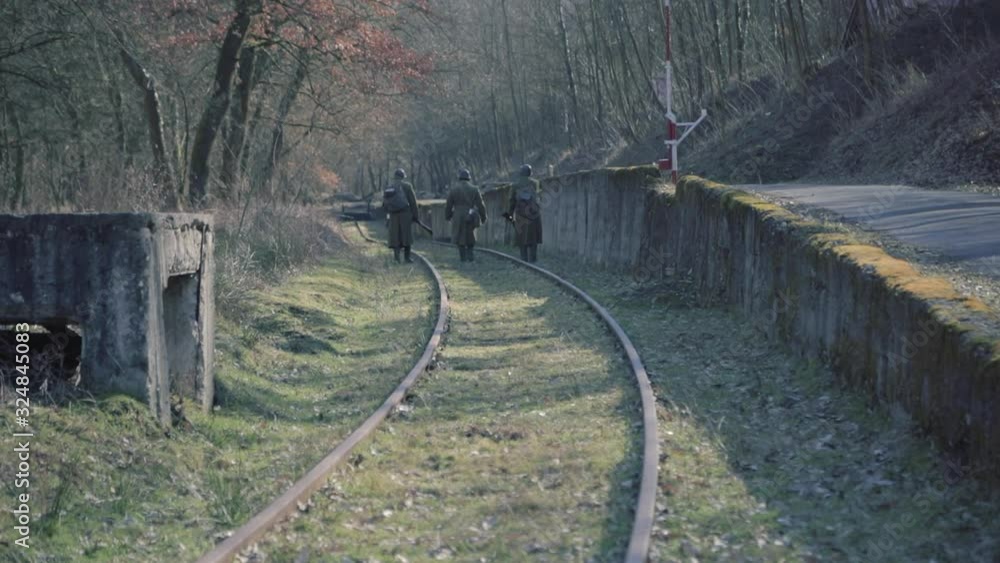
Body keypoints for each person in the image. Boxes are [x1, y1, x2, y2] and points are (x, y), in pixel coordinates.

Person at [445, 168, 488, 262]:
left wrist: (448, 216)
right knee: (470, 235)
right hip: (470, 214)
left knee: (459, 236)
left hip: (457, 215)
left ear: (459, 178)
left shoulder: (454, 189)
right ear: (469, 178)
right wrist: (483, 216)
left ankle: (462, 258)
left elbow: (448, 205)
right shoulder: (474, 189)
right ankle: (470, 255)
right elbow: (480, 205)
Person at [506, 163, 542, 262]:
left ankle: (524, 259)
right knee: (534, 236)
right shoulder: (535, 183)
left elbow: (512, 201)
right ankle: (533, 259)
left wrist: (510, 214)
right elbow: (538, 198)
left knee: (521, 236)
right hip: (533, 213)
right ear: (530, 173)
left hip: (520, 213)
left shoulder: (515, 185)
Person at [382, 168, 419, 263]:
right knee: (406, 236)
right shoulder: (407, 186)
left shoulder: (389, 187)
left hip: (393, 215)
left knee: (395, 236)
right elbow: (413, 202)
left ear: (394, 177)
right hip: (405, 214)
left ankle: (396, 258)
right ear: (403, 177)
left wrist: (387, 217)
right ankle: (407, 258)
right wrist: (415, 216)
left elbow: (385, 204)